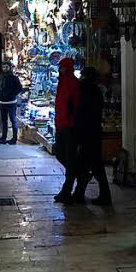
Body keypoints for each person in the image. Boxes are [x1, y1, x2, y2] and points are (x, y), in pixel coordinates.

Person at [72, 67, 111, 206]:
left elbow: (81, 111)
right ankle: (80, 193)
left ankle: (101, 195)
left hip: (87, 132)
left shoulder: (86, 90)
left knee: (92, 165)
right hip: (93, 131)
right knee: (89, 164)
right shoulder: (96, 91)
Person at [53, 58, 79, 204]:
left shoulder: (73, 83)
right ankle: (79, 174)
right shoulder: (62, 82)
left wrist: (72, 120)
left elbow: (74, 105)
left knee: (69, 157)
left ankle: (66, 190)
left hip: (69, 126)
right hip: (60, 124)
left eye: (62, 67)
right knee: (60, 154)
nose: (60, 69)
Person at [0, 62, 24, 145]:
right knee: (4, 121)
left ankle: (14, 138)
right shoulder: (1, 77)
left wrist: (12, 95)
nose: (4, 69)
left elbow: (19, 88)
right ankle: (3, 138)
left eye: (6, 67)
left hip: (11, 102)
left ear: (10, 67)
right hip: (2, 102)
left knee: (13, 120)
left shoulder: (14, 78)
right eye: (3, 67)